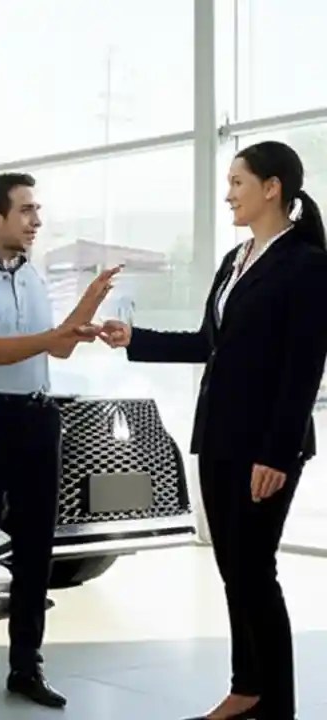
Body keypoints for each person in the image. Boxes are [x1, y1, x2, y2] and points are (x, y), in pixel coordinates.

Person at [100, 141, 327, 720]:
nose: (228, 193)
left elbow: (304, 366)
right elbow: (209, 343)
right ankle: (246, 690)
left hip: (265, 447)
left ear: (272, 187)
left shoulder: (305, 264)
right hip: (219, 438)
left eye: (237, 182)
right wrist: (136, 339)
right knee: (234, 570)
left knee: (255, 570)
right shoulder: (236, 260)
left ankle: (274, 704)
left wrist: (276, 453)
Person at [0, 172, 120, 708]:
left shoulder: (33, 279)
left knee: (37, 547)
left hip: (38, 420)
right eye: (26, 211)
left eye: (37, 211)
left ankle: (26, 666)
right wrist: (54, 335)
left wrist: (85, 308)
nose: (37, 221)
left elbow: (55, 352)